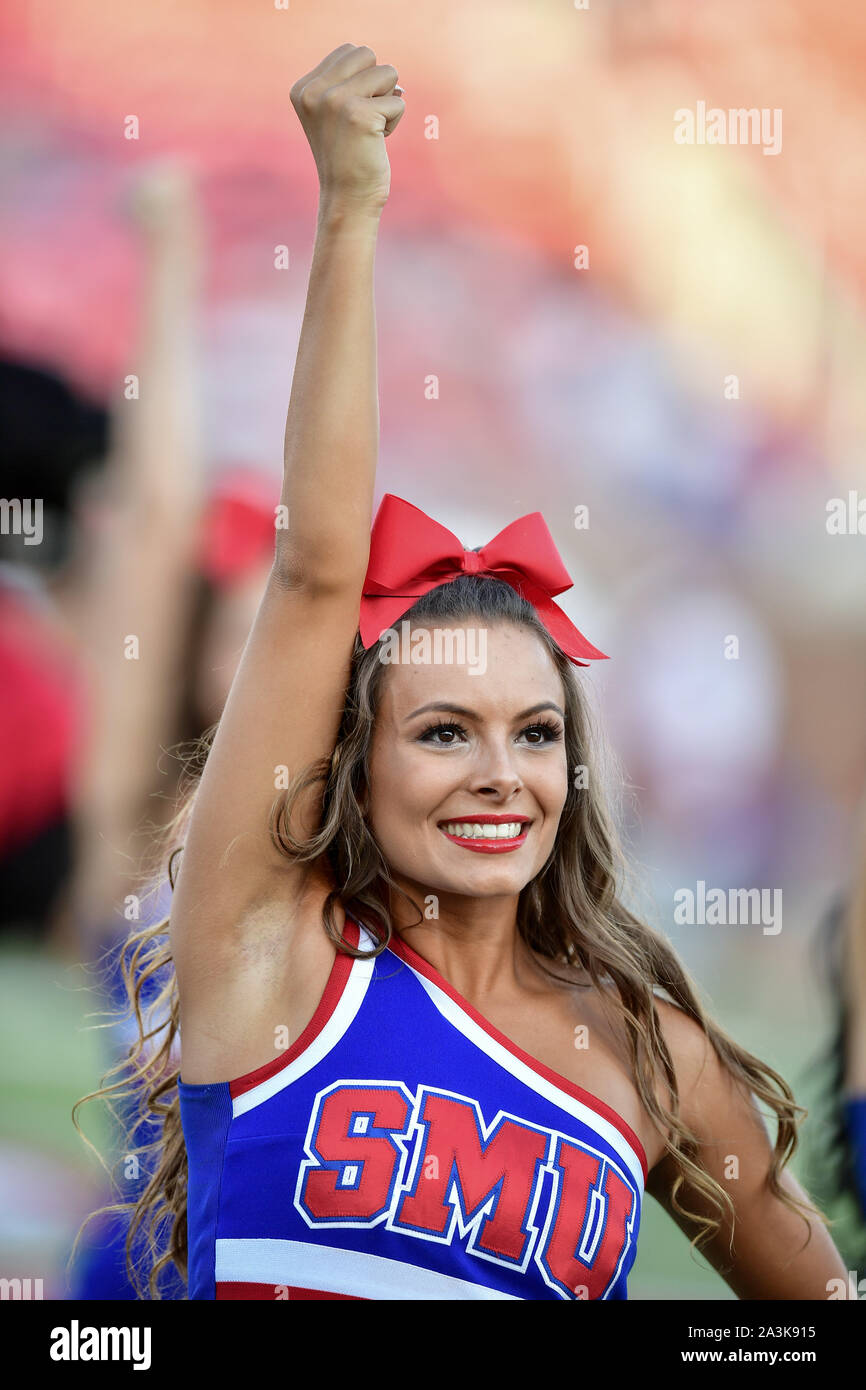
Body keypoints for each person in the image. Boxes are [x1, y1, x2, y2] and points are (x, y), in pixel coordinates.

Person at [74, 42, 847, 1300]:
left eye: (535, 733)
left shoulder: (644, 1049)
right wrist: (351, 206)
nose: (500, 774)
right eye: (442, 731)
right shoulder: (274, 945)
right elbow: (319, 569)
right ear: (351, 758)